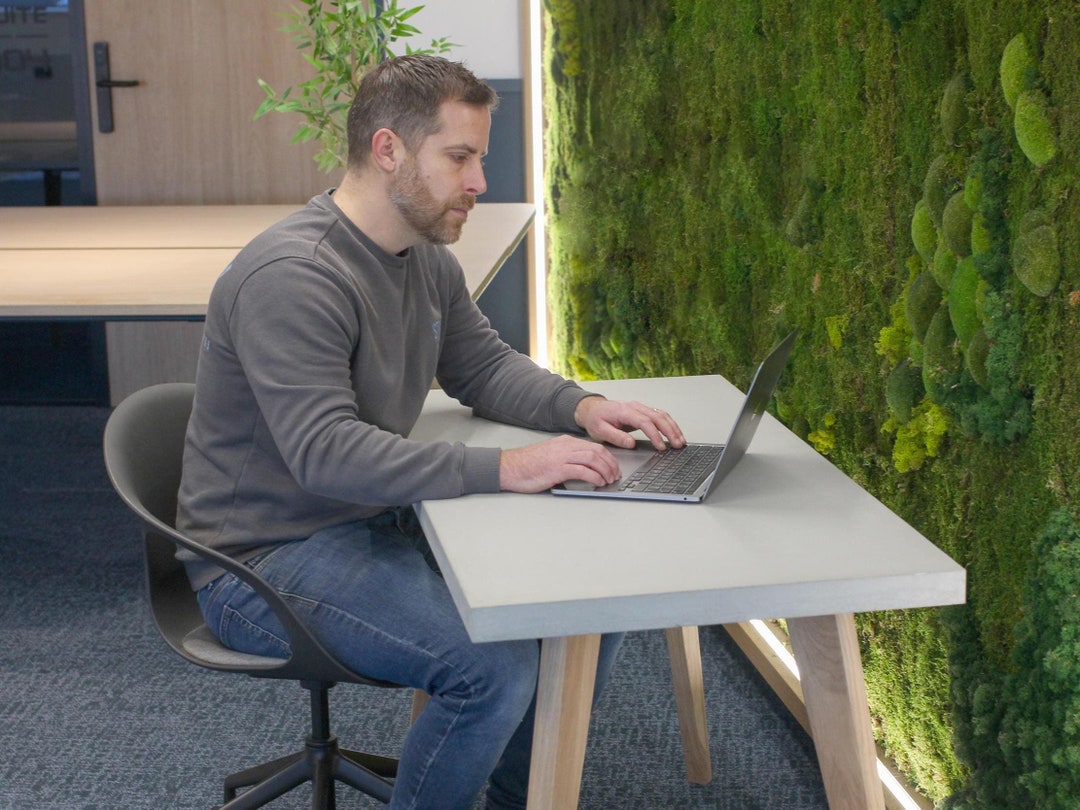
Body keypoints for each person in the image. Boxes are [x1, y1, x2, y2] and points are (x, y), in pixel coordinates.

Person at [176, 54, 685, 809]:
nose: (479, 182)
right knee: (492, 670)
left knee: (590, 598)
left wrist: (582, 409)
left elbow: (482, 367)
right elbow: (325, 453)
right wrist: (510, 466)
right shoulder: (293, 276)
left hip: (372, 516)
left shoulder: (421, 257)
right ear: (388, 150)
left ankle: (521, 798)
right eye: (459, 157)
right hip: (264, 557)